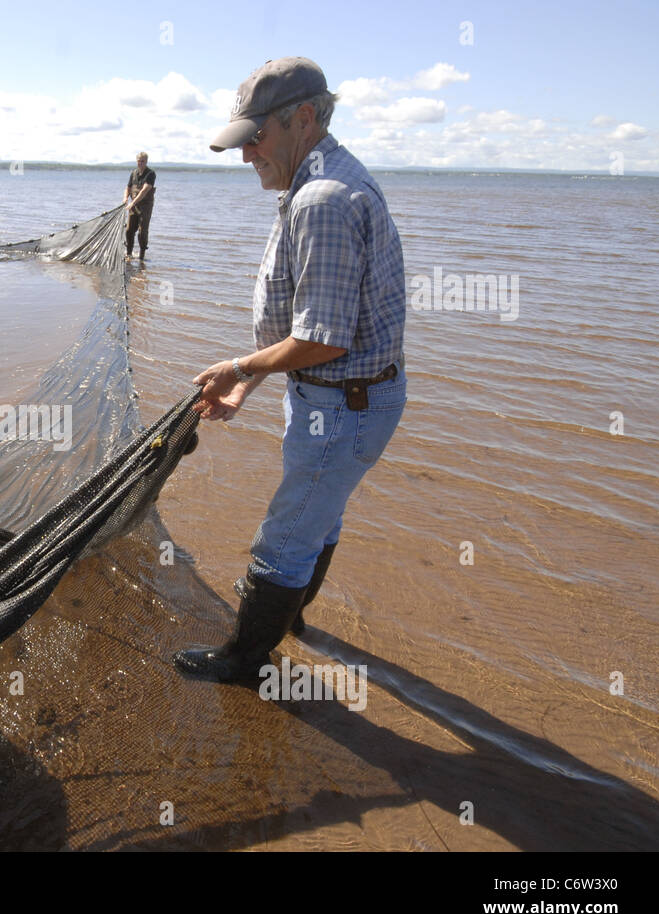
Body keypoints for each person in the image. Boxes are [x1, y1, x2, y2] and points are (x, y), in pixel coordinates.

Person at [174, 56, 407, 683]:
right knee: (318, 514)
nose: (247, 154)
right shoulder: (319, 179)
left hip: (342, 403)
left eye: (256, 137)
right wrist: (251, 382)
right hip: (342, 399)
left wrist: (238, 366)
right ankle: (293, 617)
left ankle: (246, 660)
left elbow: (323, 340)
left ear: (304, 119)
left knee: (285, 538)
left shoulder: (324, 200)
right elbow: (318, 330)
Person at [123, 151, 156, 260]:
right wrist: (125, 199)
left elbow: (144, 190)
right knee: (129, 230)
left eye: (143, 161)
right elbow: (128, 188)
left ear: (146, 162)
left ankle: (142, 257)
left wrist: (132, 203)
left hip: (145, 206)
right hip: (133, 207)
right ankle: (129, 253)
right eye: (139, 161)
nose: (140, 163)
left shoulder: (150, 174)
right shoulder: (133, 173)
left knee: (142, 232)